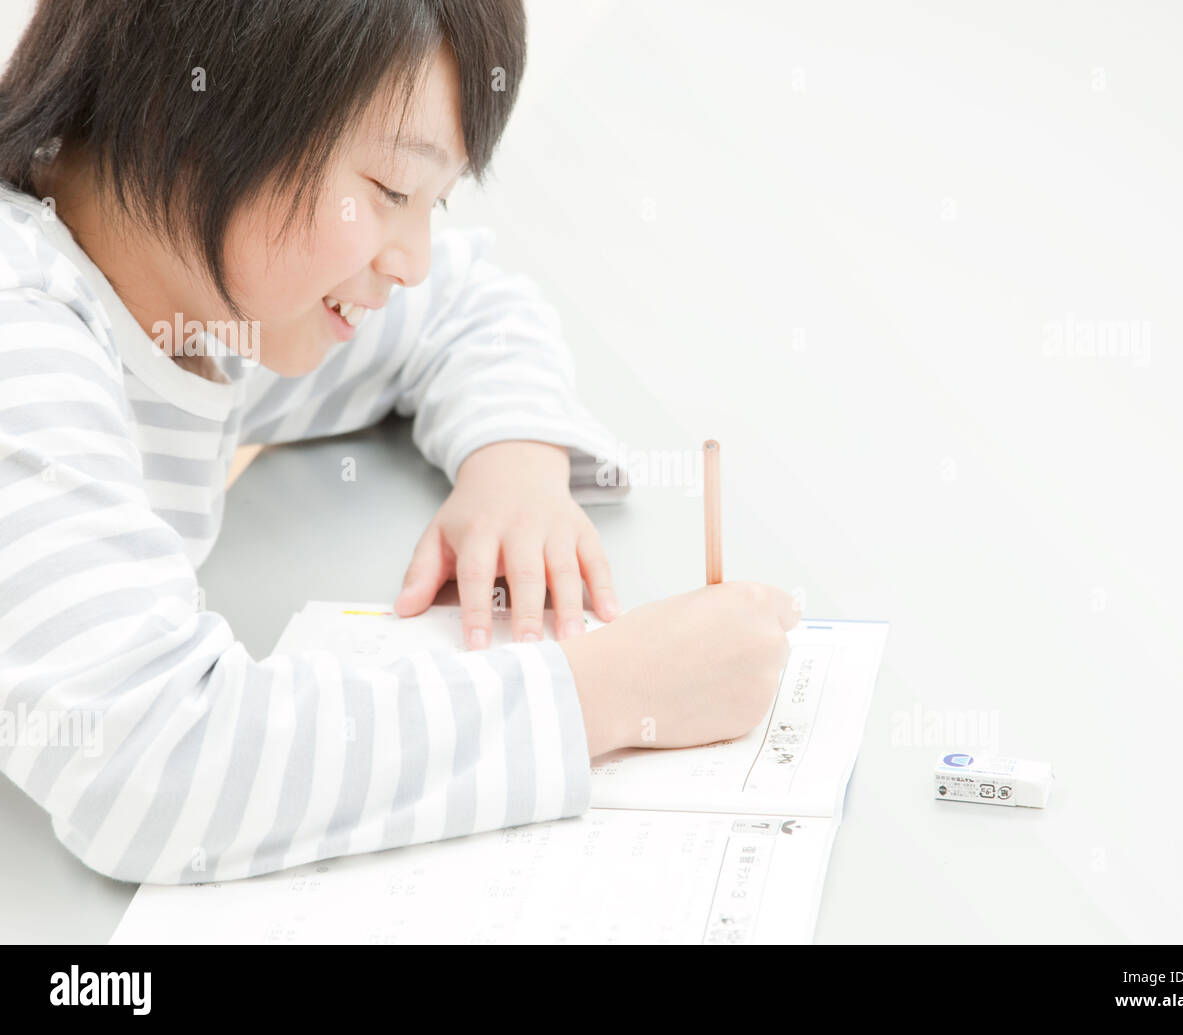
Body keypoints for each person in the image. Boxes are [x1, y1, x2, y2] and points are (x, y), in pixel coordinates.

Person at [0, 0, 797, 885]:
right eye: (388, 192)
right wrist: (608, 694)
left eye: (434, 202)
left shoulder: (198, 297)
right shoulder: (21, 339)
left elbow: (470, 307)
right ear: (190, 110)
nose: (413, 258)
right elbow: (153, 765)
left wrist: (515, 463)